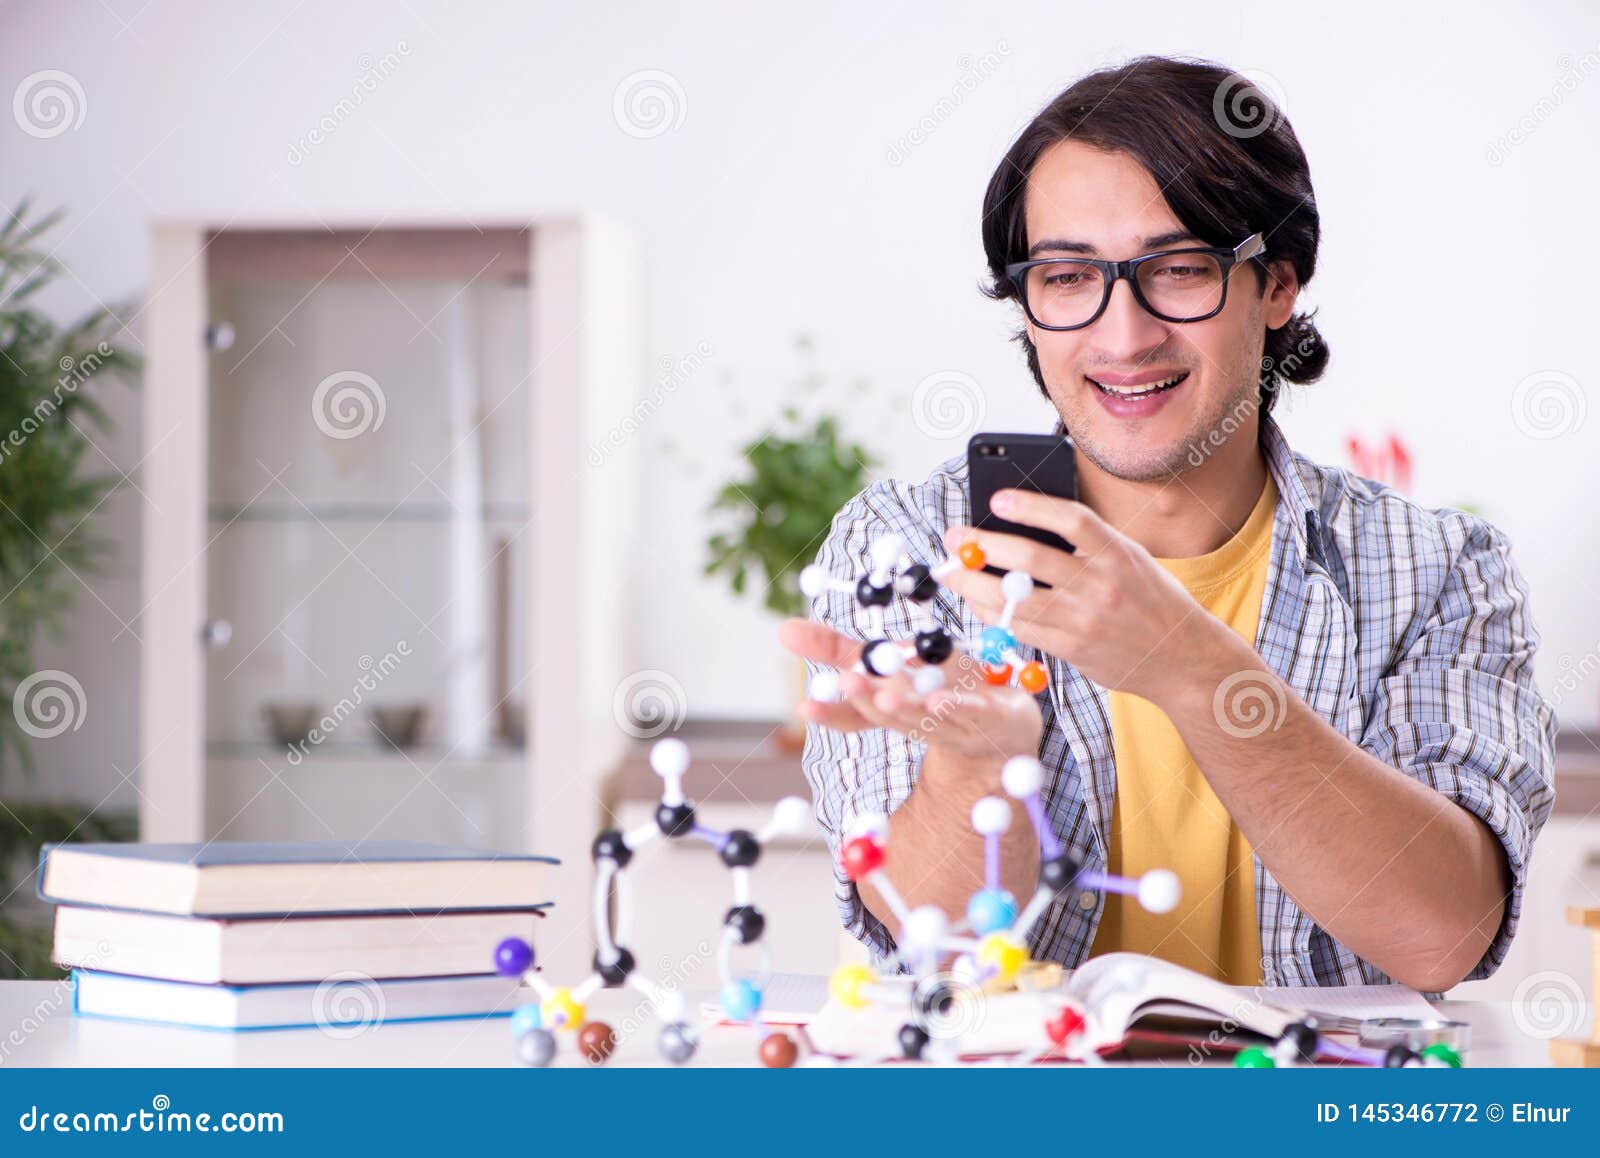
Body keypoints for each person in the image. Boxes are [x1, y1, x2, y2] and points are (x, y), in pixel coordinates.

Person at [782, 56, 1555, 990]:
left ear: (1276, 286)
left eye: (1179, 269)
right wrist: (976, 765)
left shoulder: (1437, 568)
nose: (1123, 336)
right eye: (1068, 278)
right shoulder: (909, 548)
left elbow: (1444, 937)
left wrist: (1188, 664)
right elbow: (932, 953)